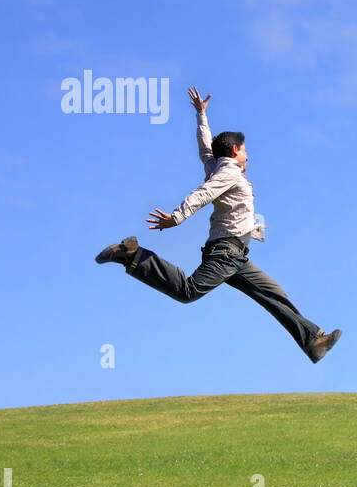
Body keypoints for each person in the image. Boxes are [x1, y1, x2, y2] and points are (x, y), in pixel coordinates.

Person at [95, 87, 341, 363]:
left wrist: (202, 116)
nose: (248, 156)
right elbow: (203, 193)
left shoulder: (218, 165)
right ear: (236, 150)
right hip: (225, 254)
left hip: (236, 257)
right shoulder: (228, 173)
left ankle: (313, 340)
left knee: (273, 293)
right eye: (246, 150)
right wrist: (177, 217)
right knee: (187, 292)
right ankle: (133, 256)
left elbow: (205, 149)